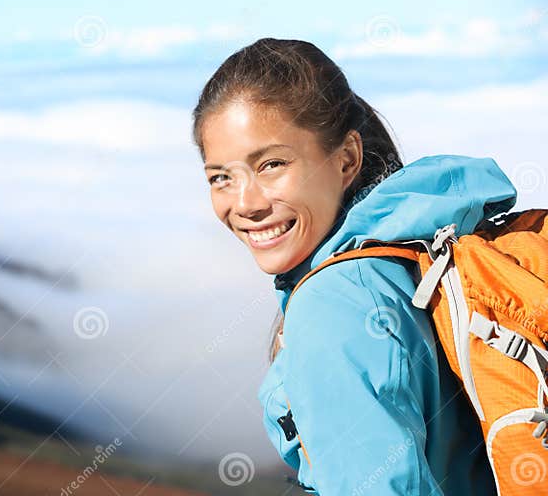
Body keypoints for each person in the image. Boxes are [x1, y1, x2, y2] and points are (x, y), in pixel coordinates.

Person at [191, 38, 508, 494]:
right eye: (221, 177)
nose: (245, 203)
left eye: (272, 164)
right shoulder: (423, 242)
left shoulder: (336, 303)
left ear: (347, 159)